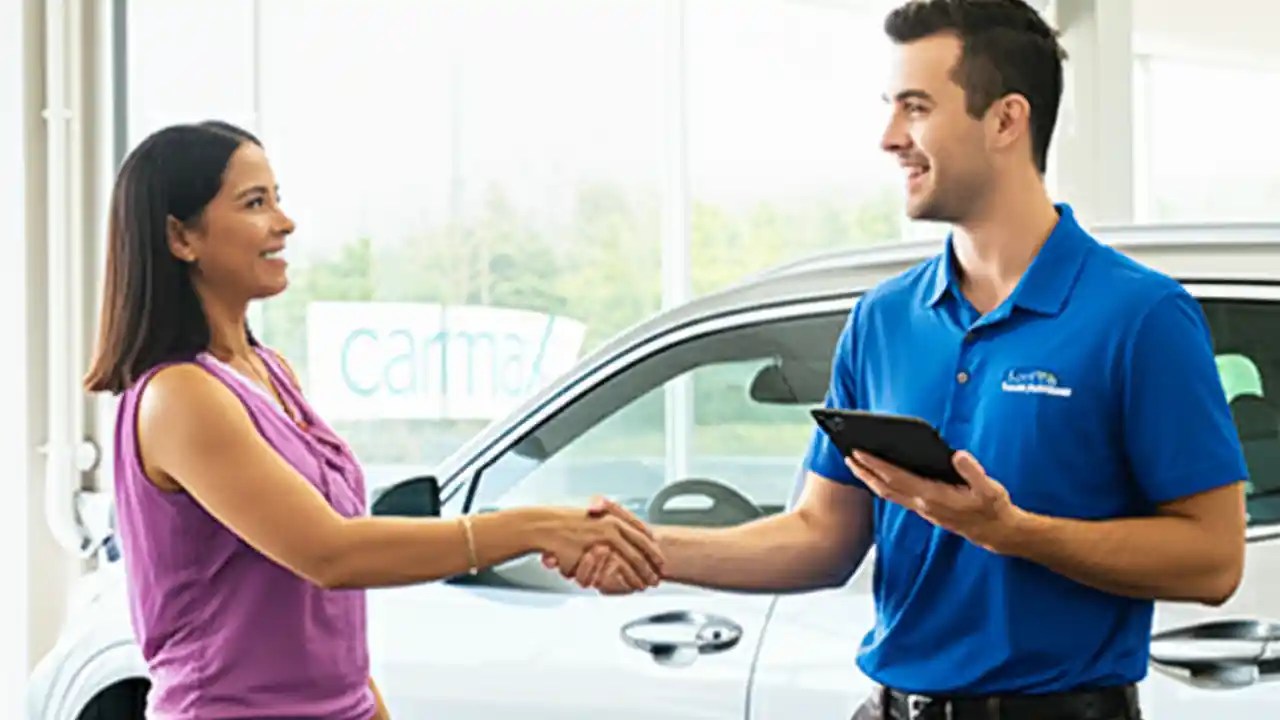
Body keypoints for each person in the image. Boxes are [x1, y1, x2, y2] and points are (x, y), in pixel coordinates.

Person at [550, 2, 1249, 719]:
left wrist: (1014, 533)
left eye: (915, 109)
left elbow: (1215, 560)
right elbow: (822, 538)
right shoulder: (882, 320)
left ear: (1007, 120)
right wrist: (645, 546)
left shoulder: (1139, 317)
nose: (889, 139)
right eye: (890, 109)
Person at [83, 120, 664, 720]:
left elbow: (324, 617)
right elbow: (331, 554)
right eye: (256, 203)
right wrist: (538, 527)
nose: (284, 222)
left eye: (277, 198)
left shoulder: (270, 372)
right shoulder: (181, 395)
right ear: (181, 237)